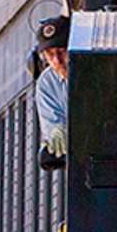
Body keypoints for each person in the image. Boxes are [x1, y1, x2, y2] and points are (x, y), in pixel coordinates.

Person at [32, 14, 70, 164]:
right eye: (50, 54)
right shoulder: (46, 83)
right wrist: (56, 132)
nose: (57, 61)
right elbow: (53, 124)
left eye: (61, 52)